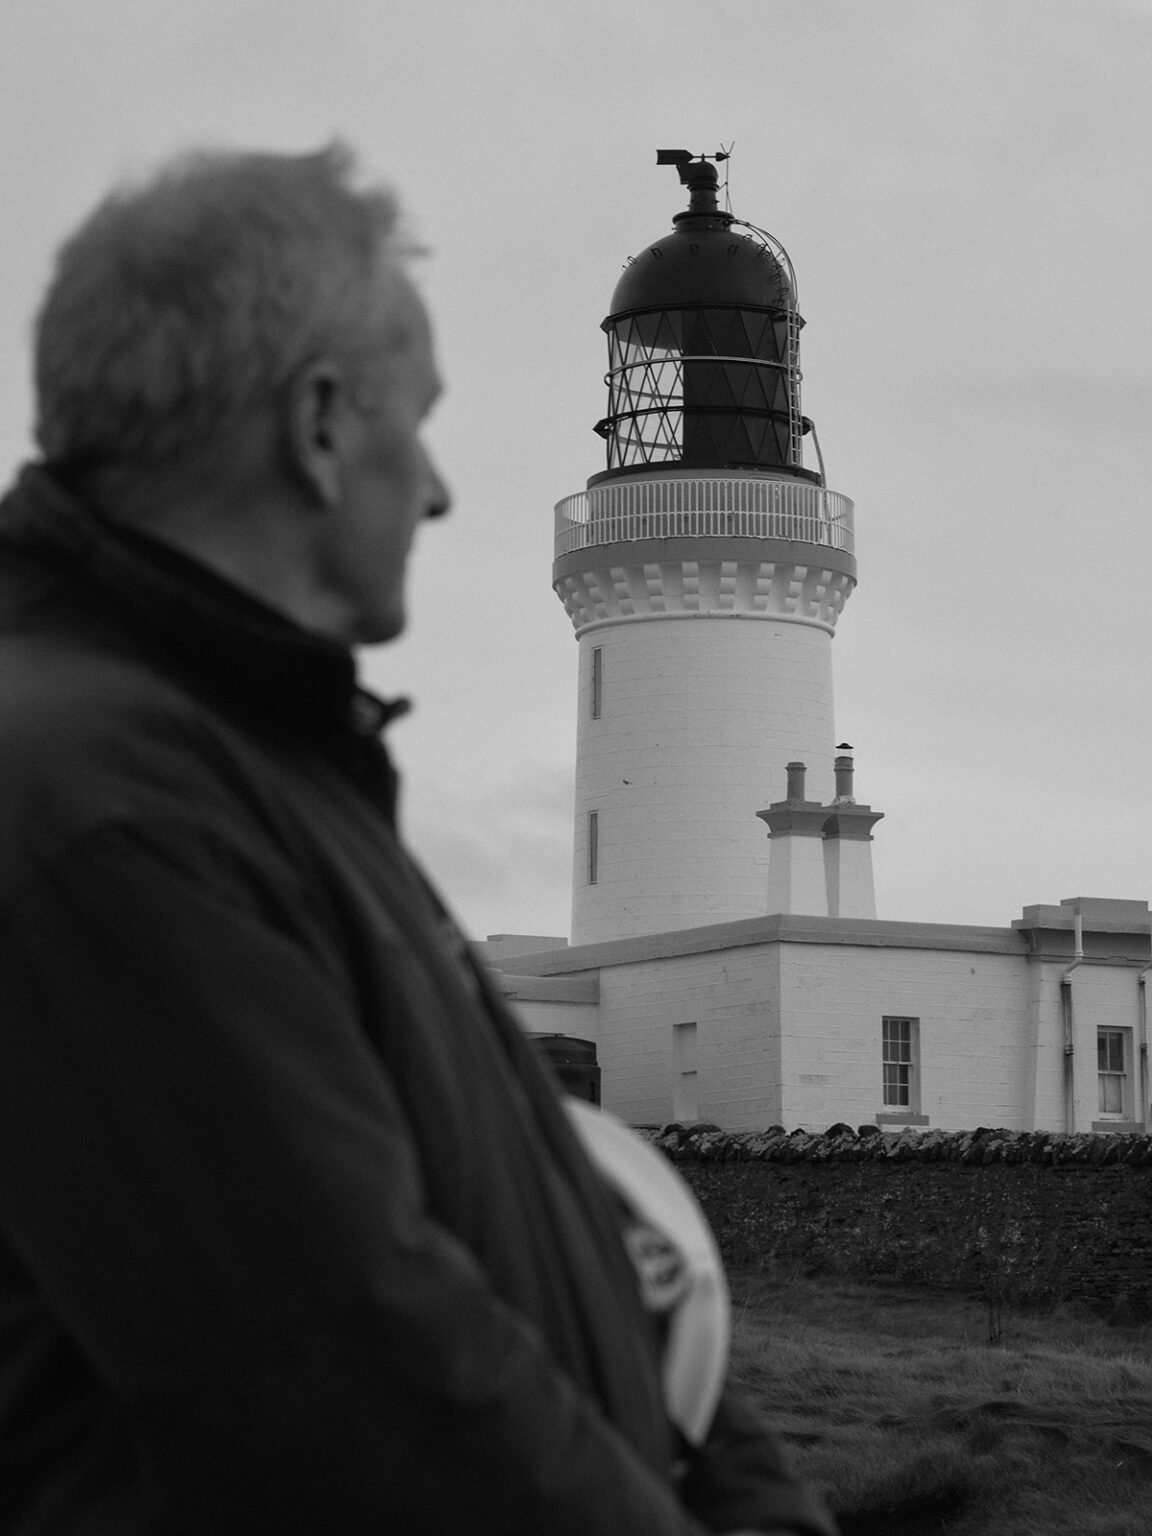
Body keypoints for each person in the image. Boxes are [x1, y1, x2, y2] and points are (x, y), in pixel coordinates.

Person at [0, 144, 837, 1536]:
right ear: (320, 425)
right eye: (421, 420)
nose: (443, 489)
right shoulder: (106, 807)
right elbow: (356, 1376)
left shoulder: (242, 758)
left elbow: (530, 1224)